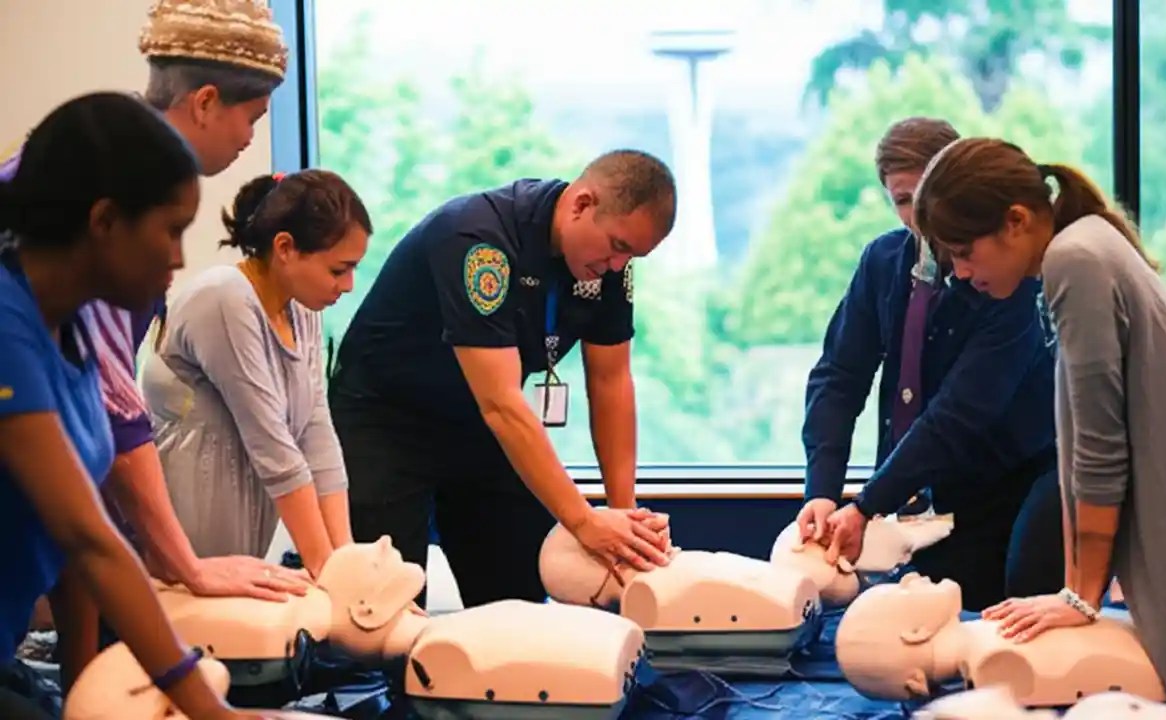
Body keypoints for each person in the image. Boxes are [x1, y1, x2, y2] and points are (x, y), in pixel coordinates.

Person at [907, 136, 1166, 719]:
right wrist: (1078, 591)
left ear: (1016, 220)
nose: (961, 272)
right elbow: (1085, 440)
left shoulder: (1073, 260)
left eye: (963, 250)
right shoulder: (1083, 245)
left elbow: (1102, 450)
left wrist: (1081, 597)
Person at [1, 0, 302, 690]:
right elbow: (92, 525)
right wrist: (186, 567)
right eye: (251, 121)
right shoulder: (26, 303)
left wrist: (83, 685)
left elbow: (87, 501)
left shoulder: (70, 319)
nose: (176, 262)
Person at [327, 150, 676, 608]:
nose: (618, 265)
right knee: (389, 607)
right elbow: (502, 404)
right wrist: (585, 523)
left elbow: (611, 382)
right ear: (581, 204)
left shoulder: (608, 266)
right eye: (618, 246)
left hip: (476, 423)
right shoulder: (477, 240)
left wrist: (623, 516)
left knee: (516, 598)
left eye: (633, 256)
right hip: (385, 419)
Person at [802, 118, 1062, 612]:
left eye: (924, 196)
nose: (917, 215)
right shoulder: (882, 262)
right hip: (911, 502)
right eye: (901, 200)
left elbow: (958, 417)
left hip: (1000, 496)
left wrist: (865, 505)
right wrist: (823, 489)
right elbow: (839, 376)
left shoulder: (1008, 279)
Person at [142, 170, 370, 577]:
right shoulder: (224, 297)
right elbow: (272, 445)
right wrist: (325, 570)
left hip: (237, 549)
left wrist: (345, 561)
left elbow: (317, 435)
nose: (349, 285)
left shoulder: (301, 307)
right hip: (172, 555)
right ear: (285, 248)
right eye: (339, 270)